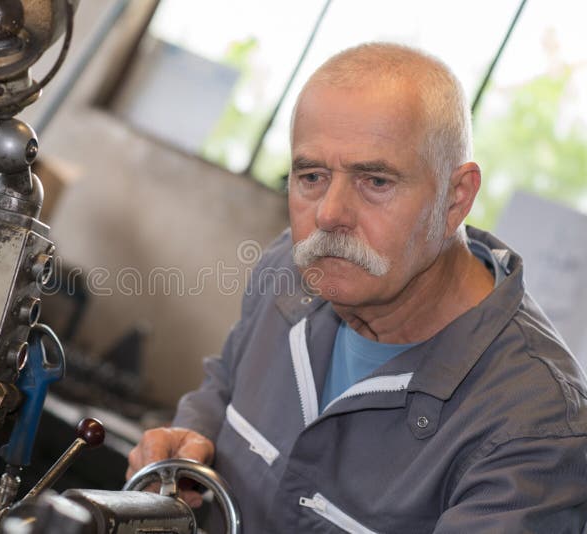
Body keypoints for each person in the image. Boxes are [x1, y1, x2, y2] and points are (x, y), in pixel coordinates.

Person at [126, 42, 587, 533]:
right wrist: (189, 443)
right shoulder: (288, 270)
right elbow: (224, 387)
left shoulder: (535, 427)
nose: (329, 214)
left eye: (375, 181)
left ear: (456, 198)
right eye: (311, 176)